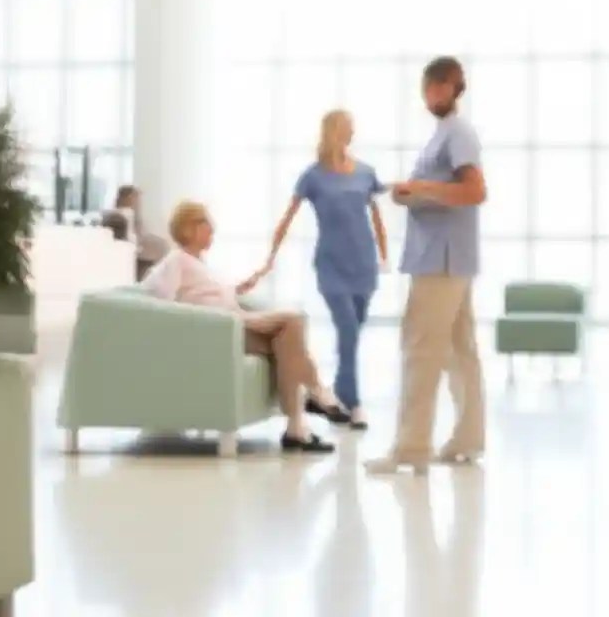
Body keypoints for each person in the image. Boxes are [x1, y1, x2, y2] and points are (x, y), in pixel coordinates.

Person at [366, 56, 487, 475]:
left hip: (442, 260)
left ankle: (410, 448)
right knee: (460, 351)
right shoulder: (444, 135)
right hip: (446, 258)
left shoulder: (458, 133)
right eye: (428, 87)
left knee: (419, 349)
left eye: (442, 85)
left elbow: (474, 191)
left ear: (457, 88)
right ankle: (467, 441)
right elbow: (444, 191)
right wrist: (413, 194)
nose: (433, 93)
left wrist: (420, 188)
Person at [143, 201, 341, 453]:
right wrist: (196, 319)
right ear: (189, 227)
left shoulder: (199, 262)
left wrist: (240, 287)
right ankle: (317, 392)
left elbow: (208, 293)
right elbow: (162, 300)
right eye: (207, 225)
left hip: (234, 322)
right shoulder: (177, 260)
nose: (212, 231)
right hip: (219, 328)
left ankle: (297, 428)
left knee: (288, 340)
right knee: (293, 320)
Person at [259, 109, 389, 431]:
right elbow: (287, 218)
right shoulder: (313, 177)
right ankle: (354, 403)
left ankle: (339, 394)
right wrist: (269, 259)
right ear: (334, 131)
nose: (352, 134)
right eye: (348, 128)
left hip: (364, 264)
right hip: (331, 265)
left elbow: (377, 218)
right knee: (347, 330)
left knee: (352, 334)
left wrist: (384, 256)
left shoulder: (366, 173)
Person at [111, 185, 169, 280]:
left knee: (162, 245)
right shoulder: (117, 217)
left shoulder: (136, 217)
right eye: (135, 199)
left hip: (138, 247)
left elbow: (142, 233)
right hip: (128, 250)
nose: (138, 203)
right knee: (161, 246)